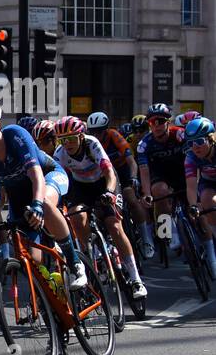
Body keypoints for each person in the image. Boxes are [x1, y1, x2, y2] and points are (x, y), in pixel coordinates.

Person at [0, 98, 86, 290]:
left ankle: (75, 263)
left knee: (46, 205)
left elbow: (36, 176)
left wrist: (37, 204)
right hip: (19, 195)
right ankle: (50, 297)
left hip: (47, 176)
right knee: (30, 258)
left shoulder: (16, 135)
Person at [52, 116, 146, 300]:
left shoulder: (92, 144)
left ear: (81, 136)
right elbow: (59, 181)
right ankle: (90, 259)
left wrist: (110, 192)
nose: (67, 144)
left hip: (104, 183)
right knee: (76, 217)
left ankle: (136, 279)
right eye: (63, 140)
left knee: (114, 225)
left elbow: (109, 172)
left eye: (71, 138)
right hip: (81, 188)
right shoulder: (60, 153)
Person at [85, 111, 149, 258]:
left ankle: (146, 238)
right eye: (92, 132)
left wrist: (133, 177)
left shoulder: (114, 136)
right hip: (103, 175)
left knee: (131, 198)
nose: (96, 136)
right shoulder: (88, 142)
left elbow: (131, 161)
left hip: (122, 170)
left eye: (100, 132)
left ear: (106, 130)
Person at [137, 105, 188, 256]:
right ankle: (166, 233)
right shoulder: (144, 145)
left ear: (168, 122)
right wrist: (147, 194)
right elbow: (144, 172)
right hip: (159, 174)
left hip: (181, 171)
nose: (157, 125)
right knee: (159, 192)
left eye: (160, 121)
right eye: (152, 122)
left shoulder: (179, 135)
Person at [182, 116, 216, 277]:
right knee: (207, 201)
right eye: (190, 143)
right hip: (208, 183)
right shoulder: (191, 157)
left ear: (211, 139)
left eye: (200, 141)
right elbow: (191, 185)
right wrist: (193, 205)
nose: (195, 147)